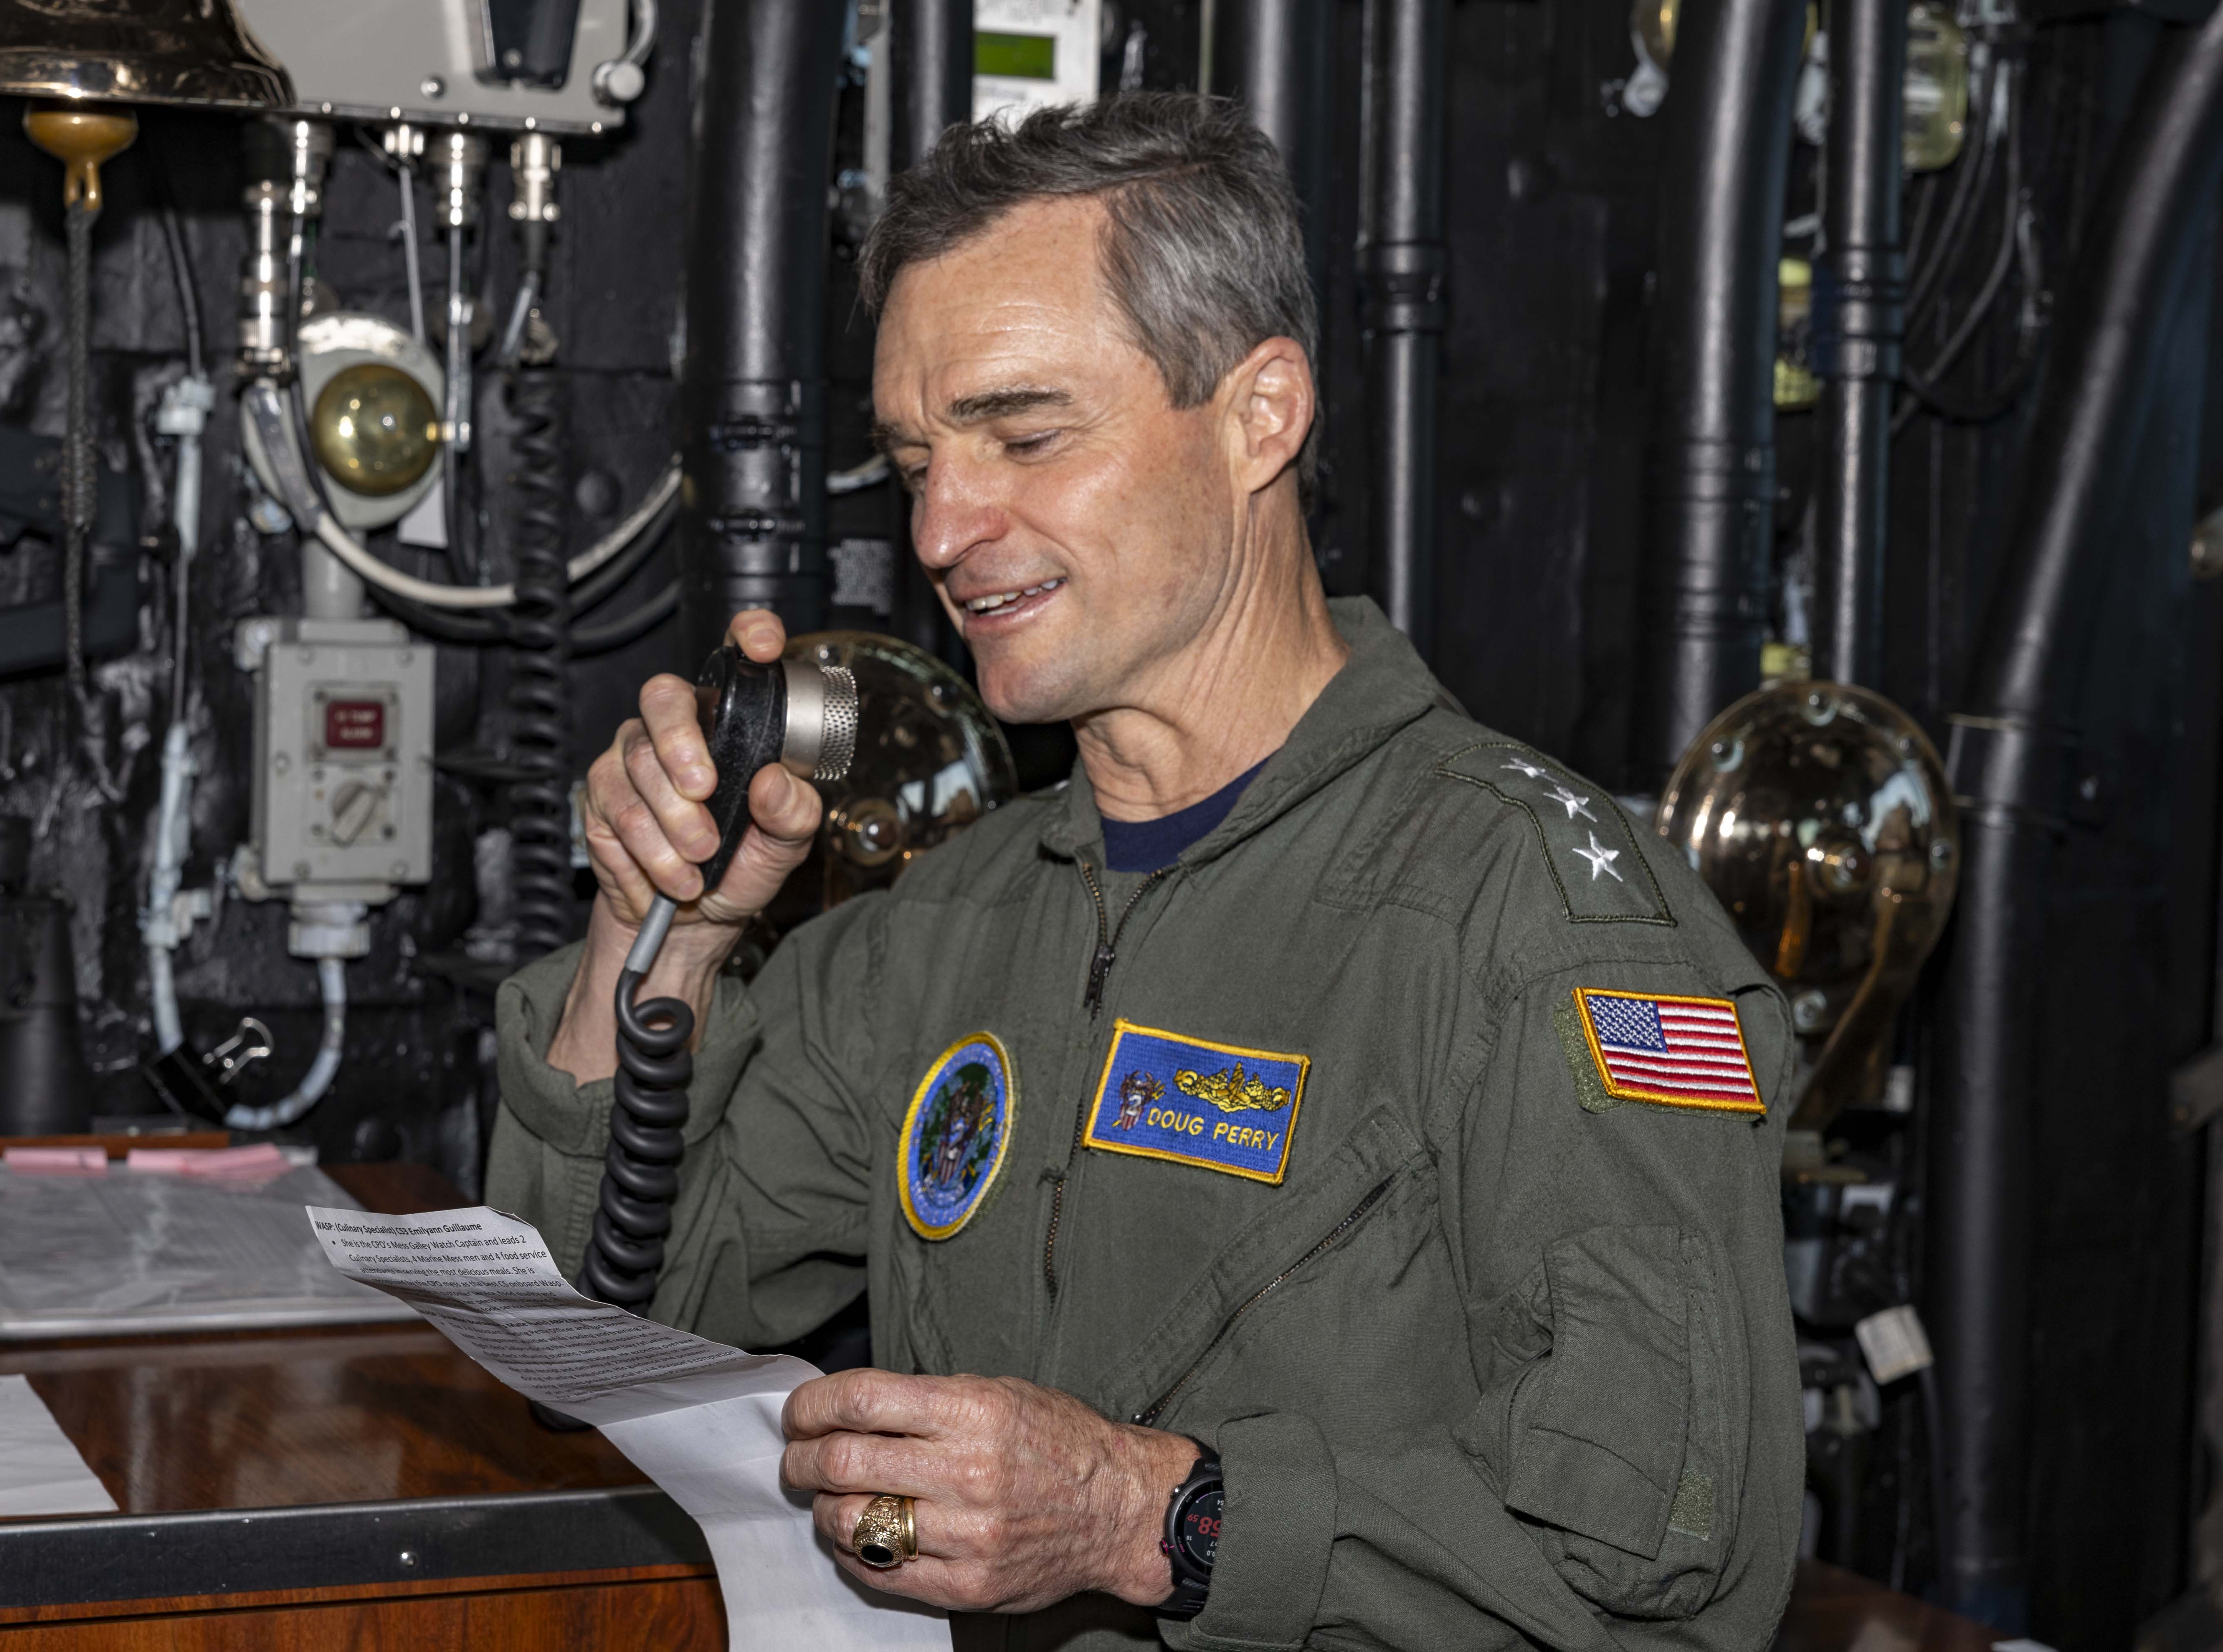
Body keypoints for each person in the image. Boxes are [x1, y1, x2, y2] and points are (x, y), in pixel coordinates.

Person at [490, 92, 1800, 1651]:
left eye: (1025, 435)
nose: (943, 526)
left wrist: (1150, 1520)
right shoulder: (959, 926)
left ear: (1262, 415)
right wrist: (654, 946)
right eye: (915, 457)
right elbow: (580, 1340)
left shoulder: (1545, 932)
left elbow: (1674, 1594)